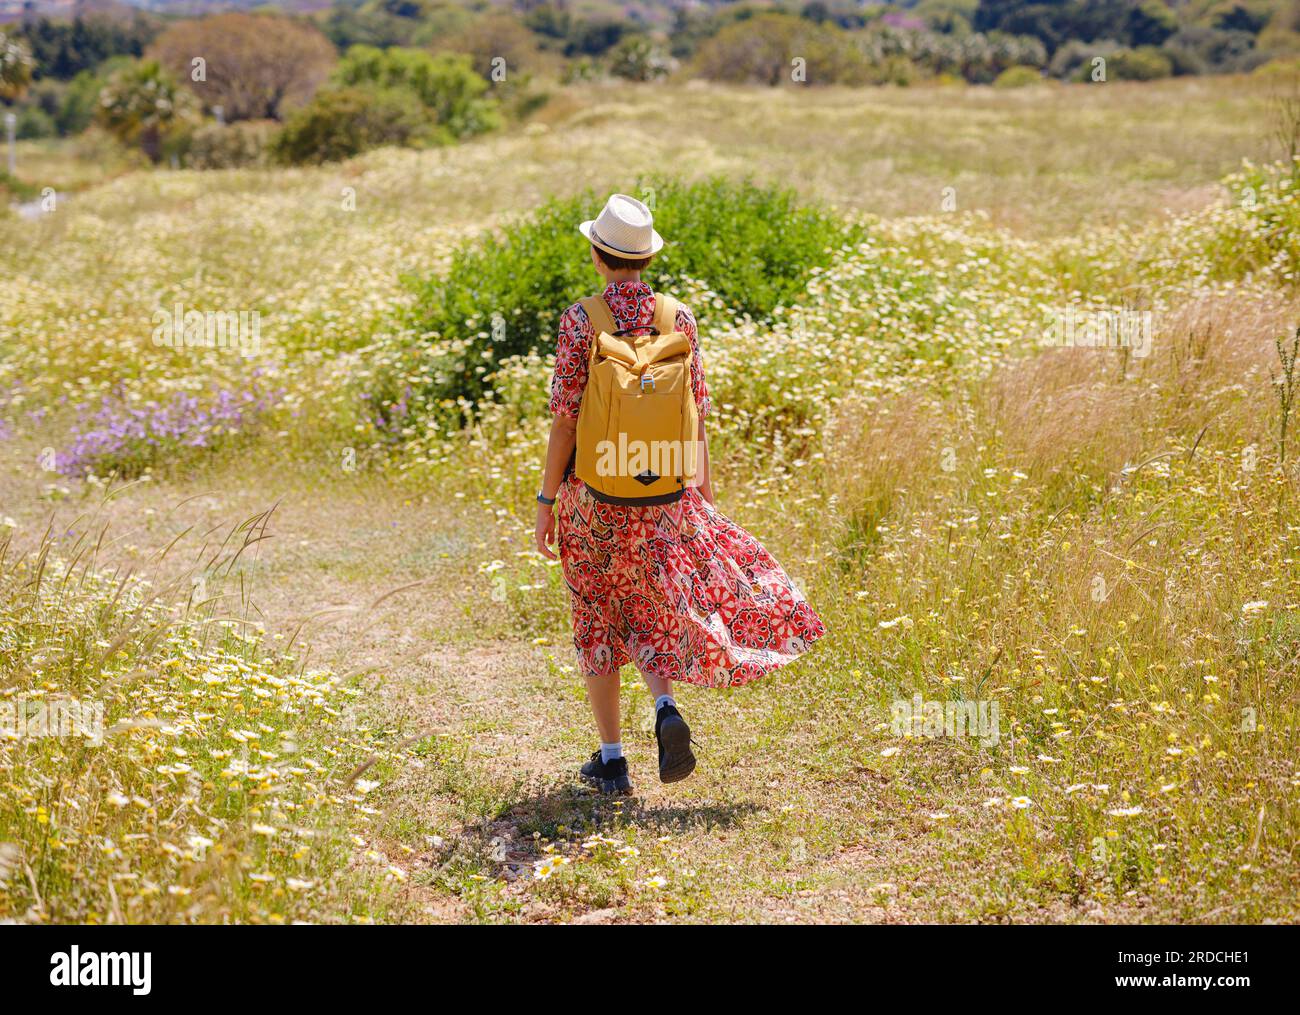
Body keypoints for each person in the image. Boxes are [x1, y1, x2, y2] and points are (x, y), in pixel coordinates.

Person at [535, 193, 824, 794]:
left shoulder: (580, 320)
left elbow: (565, 420)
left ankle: (612, 760)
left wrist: (545, 502)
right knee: (652, 609)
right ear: (645, 259)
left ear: (596, 255)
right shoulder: (679, 318)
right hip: (664, 492)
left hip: (594, 495)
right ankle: (666, 710)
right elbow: (697, 411)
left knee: (598, 614)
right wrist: (703, 496)